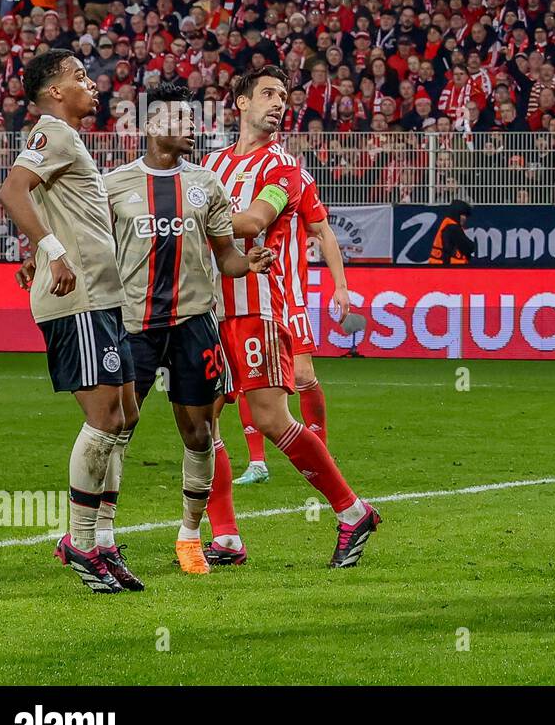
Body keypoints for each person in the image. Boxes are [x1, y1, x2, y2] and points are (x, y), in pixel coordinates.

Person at [200, 67, 381, 567]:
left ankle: (351, 510)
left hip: (258, 306)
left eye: (284, 96)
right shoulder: (211, 164)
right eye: (268, 94)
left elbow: (255, 220)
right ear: (240, 102)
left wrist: (180, 214)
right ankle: (227, 538)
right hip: (209, 308)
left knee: (272, 417)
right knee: (201, 422)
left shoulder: (284, 170)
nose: (279, 103)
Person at [97, 82, 275, 573]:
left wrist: (250, 261)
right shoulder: (113, 186)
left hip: (196, 323)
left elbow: (226, 258)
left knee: (199, 433)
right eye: (181, 119)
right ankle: (103, 534)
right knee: (117, 428)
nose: (194, 126)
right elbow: (92, 251)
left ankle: (190, 536)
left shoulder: (206, 184)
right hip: (133, 326)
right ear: (154, 126)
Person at [0, 49, 139, 593]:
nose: (92, 84)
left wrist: (37, 245)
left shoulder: (68, 138)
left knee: (124, 414)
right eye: (79, 77)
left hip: (103, 299)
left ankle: (102, 540)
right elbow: (12, 191)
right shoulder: (52, 131)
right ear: (55, 91)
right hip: (76, 299)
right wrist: (52, 251)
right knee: (105, 416)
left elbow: (43, 202)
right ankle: (81, 542)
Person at [234, 164, 352, 485]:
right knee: (249, 377)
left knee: (302, 375)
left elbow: (323, 230)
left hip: (289, 293)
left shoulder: (294, 176)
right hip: (248, 290)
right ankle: (257, 463)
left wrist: (340, 285)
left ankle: (319, 452)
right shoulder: (231, 173)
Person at [427, 199, 476, 264]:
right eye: (463, 215)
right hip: (450, 267)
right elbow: (468, 247)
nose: (465, 218)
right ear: (457, 213)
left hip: (439, 264)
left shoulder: (447, 224)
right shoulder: (453, 228)